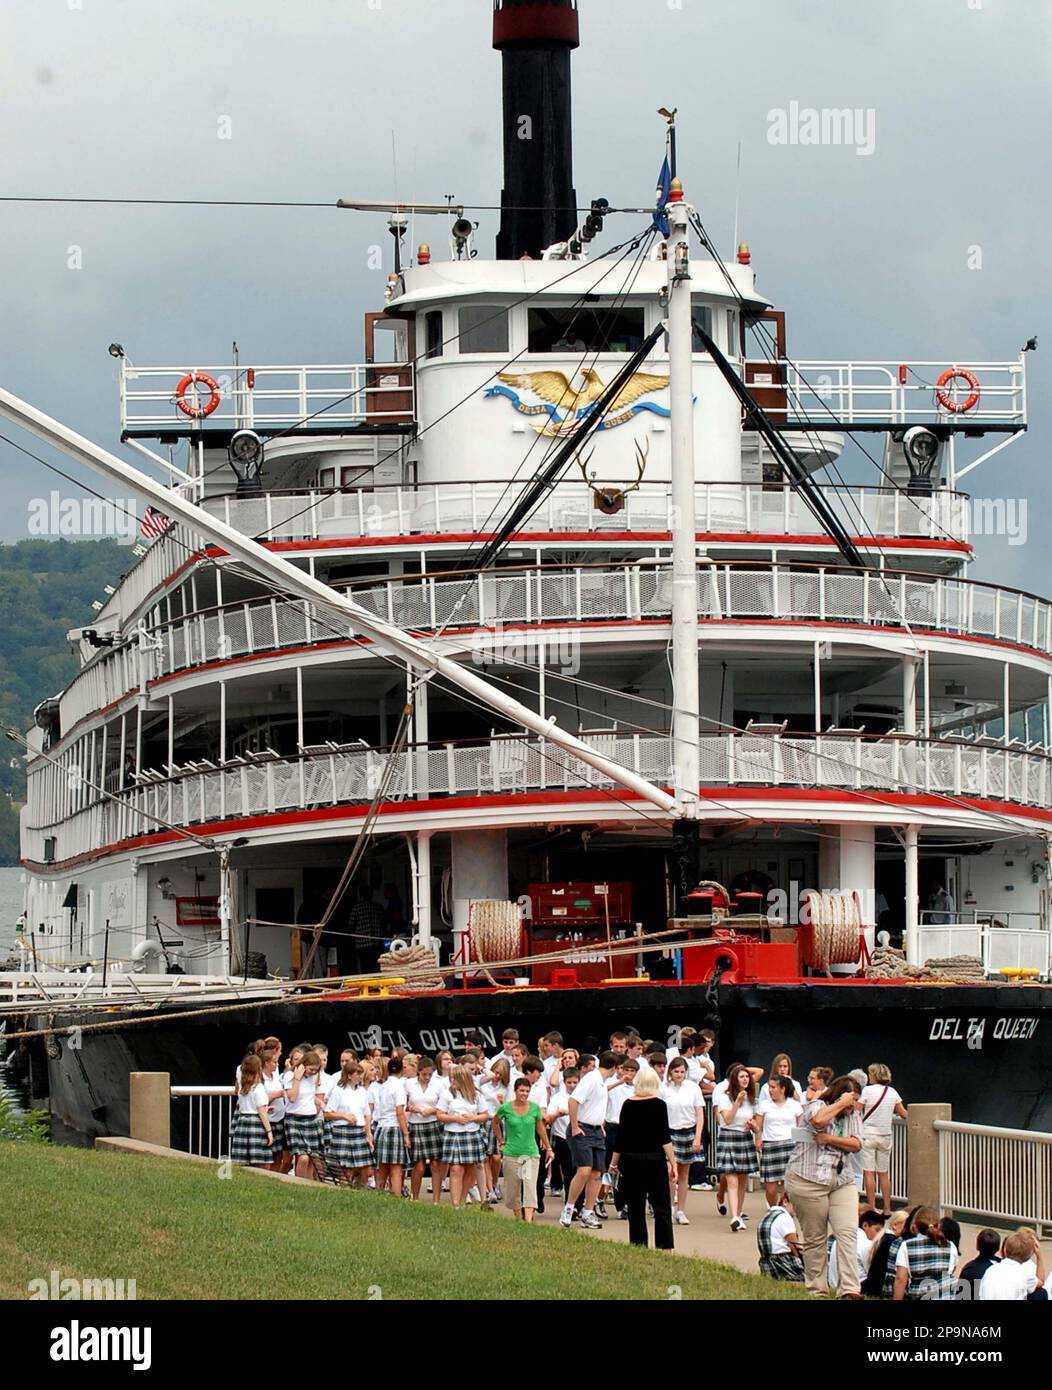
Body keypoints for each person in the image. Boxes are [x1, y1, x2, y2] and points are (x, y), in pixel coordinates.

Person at [784, 1075, 864, 1298]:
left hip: (841, 1180)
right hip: (808, 1180)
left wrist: (829, 1139)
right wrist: (840, 1104)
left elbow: (856, 1143)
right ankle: (817, 1290)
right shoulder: (817, 1105)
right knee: (815, 1238)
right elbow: (818, 1121)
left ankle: (849, 1289)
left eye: (855, 1101)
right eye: (851, 1100)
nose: (853, 1106)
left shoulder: (854, 1114)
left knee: (847, 1232)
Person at [609, 1063, 675, 1250]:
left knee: (635, 1206)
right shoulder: (659, 1105)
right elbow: (665, 1137)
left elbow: (621, 1137)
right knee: (661, 1204)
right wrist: (673, 1161)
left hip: (631, 1159)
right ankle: (665, 1245)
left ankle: (638, 1245)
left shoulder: (628, 1104)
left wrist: (613, 1163)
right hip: (655, 1159)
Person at [560, 1050, 618, 1230]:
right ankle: (569, 1208)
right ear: (615, 1068)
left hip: (596, 1130)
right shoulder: (592, 1079)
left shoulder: (601, 1082)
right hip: (582, 1129)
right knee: (584, 1171)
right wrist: (575, 1126)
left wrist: (599, 1123)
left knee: (596, 1173)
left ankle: (588, 1211)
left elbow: (595, 1104)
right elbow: (573, 1101)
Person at [494, 1076, 553, 1222]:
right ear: (515, 1091)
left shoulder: (534, 1108)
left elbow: (540, 1127)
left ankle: (528, 1220)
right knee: (513, 1188)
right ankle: (518, 1216)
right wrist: (501, 1141)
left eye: (527, 1091)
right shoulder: (505, 1108)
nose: (524, 1094)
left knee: (530, 1186)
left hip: (530, 1152)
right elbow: (495, 1122)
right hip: (511, 1152)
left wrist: (549, 1147)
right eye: (522, 1090)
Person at [437, 1064, 492, 1209]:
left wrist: (473, 1117)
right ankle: (455, 1205)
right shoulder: (447, 1094)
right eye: (451, 1078)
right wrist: (455, 1118)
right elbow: (440, 1115)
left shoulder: (476, 1095)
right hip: (453, 1134)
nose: (452, 1081)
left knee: (471, 1169)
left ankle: (461, 1199)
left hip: (472, 1133)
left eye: (454, 1078)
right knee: (456, 1169)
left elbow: (485, 1115)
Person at [859, 1063, 908, 1216]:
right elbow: (903, 1113)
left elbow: (857, 1110)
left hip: (868, 1135)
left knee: (869, 1173)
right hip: (885, 1135)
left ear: (874, 1076)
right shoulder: (893, 1092)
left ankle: (872, 1208)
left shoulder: (867, 1090)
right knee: (884, 1174)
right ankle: (887, 1209)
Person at [716, 1062, 760, 1232]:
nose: (745, 1079)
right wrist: (737, 1102)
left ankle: (739, 1214)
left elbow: (755, 1120)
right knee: (732, 1179)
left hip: (744, 1137)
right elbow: (727, 1119)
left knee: (742, 1180)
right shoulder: (724, 1097)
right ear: (735, 1079)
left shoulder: (751, 1099)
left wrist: (753, 1126)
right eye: (742, 1076)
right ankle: (734, 1216)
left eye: (747, 1077)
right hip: (728, 1136)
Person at [662, 1057, 705, 1226]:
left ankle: (681, 1210)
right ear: (670, 1072)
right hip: (669, 1133)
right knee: (670, 1172)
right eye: (676, 1071)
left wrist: (698, 1137)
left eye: (682, 1072)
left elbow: (699, 1113)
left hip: (688, 1132)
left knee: (684, 1174)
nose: (679, 1075)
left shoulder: (693, 1088)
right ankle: (670, 1206)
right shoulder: (663, 1088)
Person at [323, 1059, 374, 1185]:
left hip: (359, 1131)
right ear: (349, 1075)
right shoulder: (338, 1091)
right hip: (342, 1131)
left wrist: (369, 1135)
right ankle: (344, 1191)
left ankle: (361, 1192)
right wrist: (344, 1116)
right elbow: (327, 1113)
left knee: (365, 1167)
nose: (361, 1076)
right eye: (358, 1074)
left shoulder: (362, 1091)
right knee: (345, 1168)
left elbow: (367, 1114)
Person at [757, 1073, 803, 1206]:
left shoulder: (794, 1105)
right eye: (769, 1087)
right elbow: (758, 1126)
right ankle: (773, 1207)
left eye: (773, 1087)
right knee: (770, 1188)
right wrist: (757, 1138)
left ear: (782, 1089)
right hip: (770, 1145)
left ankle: (783, 1208)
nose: (770, 1090)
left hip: (790, 1144)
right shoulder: (764, 1105)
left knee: (786, 1183)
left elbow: (800, 1127)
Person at [893, 1206, 958, 1300]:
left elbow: (901, 1279)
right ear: (938, 1225)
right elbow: (952, 1269)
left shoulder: (906, 1246)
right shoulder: (949, 1245)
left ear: (915, 1226)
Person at [406, 1056, 445, 1202]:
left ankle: (436, 1200)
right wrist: (412, 1108)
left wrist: (432, 1110)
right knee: (419, 1165)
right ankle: (414, 1198)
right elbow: (403, 1105)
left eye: (430, 1074)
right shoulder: (409, 1084)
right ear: (418, 1072)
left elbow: (444, 1105)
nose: (427, 1077)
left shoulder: (438, 1084)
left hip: (434, 1124)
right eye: (424, 1074)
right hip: (416, 1125)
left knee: (436, 1164)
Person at [284, 1048, 326, 1179]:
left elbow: (308, 1095)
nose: (313, 1072)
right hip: (294, 1118)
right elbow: (292, 1097)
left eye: (316, 1070)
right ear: (303, 1065)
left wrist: (319, 1102)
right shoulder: (290, 1076)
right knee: (302, 1157)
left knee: (313, 1156)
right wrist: (297, 1078)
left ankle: (309, 1186)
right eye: (311, 1069)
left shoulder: (313, 1077)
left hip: (311, 1118)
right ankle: (300, 1184)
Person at [372, 1055, 411, 1195]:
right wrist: (406, 1134)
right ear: (401, 1071)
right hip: (394, 1128)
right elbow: (400, 1112)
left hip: (381, 1128)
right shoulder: (399, 1087)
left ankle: (380, 1195)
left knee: (381, 1166)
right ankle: (396, 1197)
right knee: (396, 1168)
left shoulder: (383, 1086)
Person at [230, 1055, 274, 1166]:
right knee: (262, 1163)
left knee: (242, 1163)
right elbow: (261, 1111)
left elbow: (245, 1105)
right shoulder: (258, 1087)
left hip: (242, 1122)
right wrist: (269, 1131)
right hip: (256, 1124)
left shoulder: (242, 1087)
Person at [980, 1230, 1048, 1301]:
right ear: (1028, 1256)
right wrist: (1039, 1256)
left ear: (1005, 1250)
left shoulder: (990, 1270)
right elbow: (1041, 1281)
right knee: (1041, 1293)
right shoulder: (1024, 1275)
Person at [830, 1210, 886, 1291]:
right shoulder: (867, 1244)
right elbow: (872, 1273)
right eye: (877, 1230)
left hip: (834, 1284)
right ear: (865, 1225)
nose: (878, 1235)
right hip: (856, 1287)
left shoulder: (839, 1239)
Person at [757, 1193, 805, 1282]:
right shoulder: (786, 1218)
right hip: (782, 1261)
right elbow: (795, 1247)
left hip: (766, 1262)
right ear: (785, 1202)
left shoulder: (769, 1214)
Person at [260, 1045, 287, 1172]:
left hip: (279, 1118)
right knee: (267, 1152)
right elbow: (260, 1099)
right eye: (274, 1062)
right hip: (268, 1120)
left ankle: (277, 1176)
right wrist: (277, 1094)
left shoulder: (275, 1076)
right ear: (266, 1063)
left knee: (279, 1153)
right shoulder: (260, 1078)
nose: (277, 1065)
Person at [959, 1229, 1002, 1299]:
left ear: (977, 1246)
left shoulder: (969, 1270)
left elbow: (961, 1296)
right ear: (997, 1248)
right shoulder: (1004, 1268)